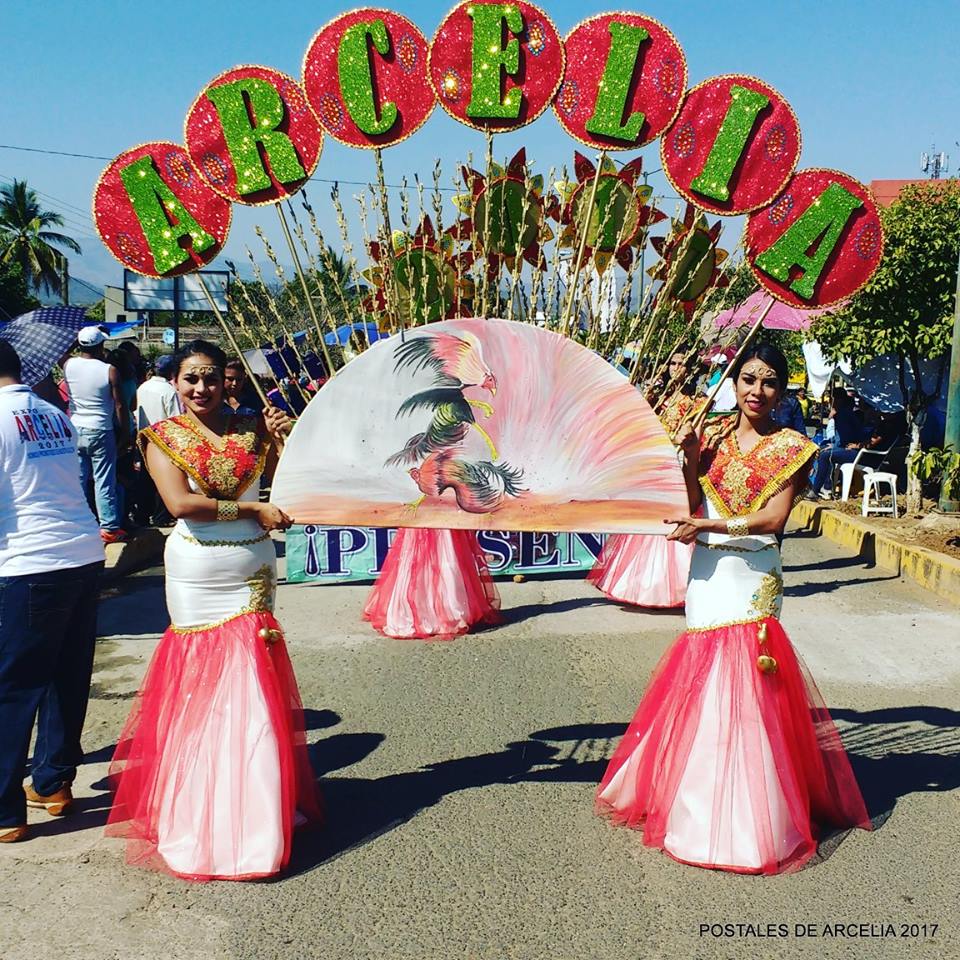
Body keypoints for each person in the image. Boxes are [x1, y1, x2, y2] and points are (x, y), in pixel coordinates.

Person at [595, 343, 870, 874]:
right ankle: (693, 804)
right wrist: (691, 454)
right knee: (704, 682)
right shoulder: (714, 432)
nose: (756, 391)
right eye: (748, 379)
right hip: (706, 573)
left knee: (745, 686)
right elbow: (687, 500)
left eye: (769, 382)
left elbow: (773, 520)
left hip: (750, 575)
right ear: (734, 381)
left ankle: (750, 820)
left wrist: (708, 527)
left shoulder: (794, 447)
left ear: (782, 389)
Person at [105, 340, 321, 880]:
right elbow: (181, 505)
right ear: (174, 384)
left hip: (253, 564)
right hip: (198, 569)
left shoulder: (253, 426)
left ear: (227, 379)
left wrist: (283, 437)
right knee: (206, 688)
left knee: (251, 684)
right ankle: (202, 816)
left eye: (210, 378)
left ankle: (255, 811)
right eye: (190, 380)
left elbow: (293, 479)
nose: (201, 389)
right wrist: (252, 508)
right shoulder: (162, 437)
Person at [0, 341, 105, 843]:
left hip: (28, 564)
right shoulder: (53, 414)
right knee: (66, 674)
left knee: (14, 688)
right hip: (81, 554)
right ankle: (54, 783)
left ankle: (4, 810)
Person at [590, 353, 700, 608]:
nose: (676, 368)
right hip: (658, 467)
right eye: (672, 363)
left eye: (682, 363)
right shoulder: (657, 399)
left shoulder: (696, 403)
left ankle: (678, 588)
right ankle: (643, 585)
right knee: (653, 524)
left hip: (682, 467)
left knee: (677, 521)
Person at [362, 527, 501, 639]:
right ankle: (431, 614)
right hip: (423, 511)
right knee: (420, 559)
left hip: (446, 511)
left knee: (446, 556)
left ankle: (446, 612)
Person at [63, 326, 130, 542]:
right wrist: (125, 432)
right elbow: (120, 406)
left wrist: (78, 340)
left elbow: (64, 351)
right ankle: (109, 527)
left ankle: (78, 522)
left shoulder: (68, 364)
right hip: (101, 428)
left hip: (75, 428)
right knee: (104, 479)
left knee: (79, 479)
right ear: (101, 345)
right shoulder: (109, 370)